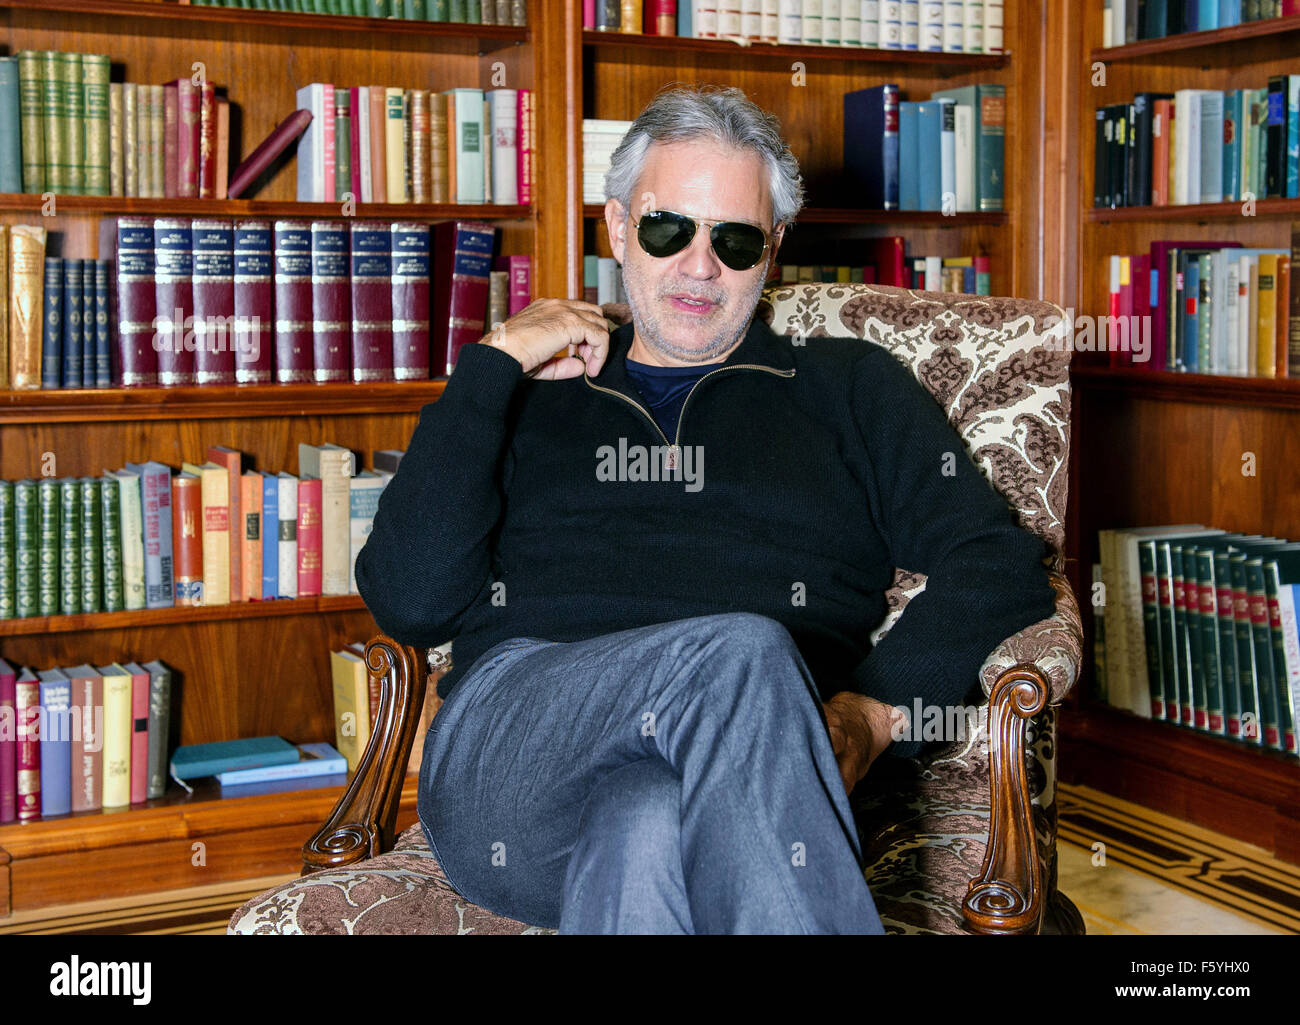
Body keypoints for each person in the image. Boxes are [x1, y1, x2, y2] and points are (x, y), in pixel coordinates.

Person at [355, 85, 1055, 934]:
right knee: (741, 650)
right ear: (616, 228)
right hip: (515, 757)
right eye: (666, 228)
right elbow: (410, 597)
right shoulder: (529, 391)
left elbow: (997, 559)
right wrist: (491, 367)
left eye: (734, 239)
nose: (699, 265)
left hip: (746, 785)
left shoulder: (849, 389)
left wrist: (870, 714)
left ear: (772, 250)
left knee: (648, 826)